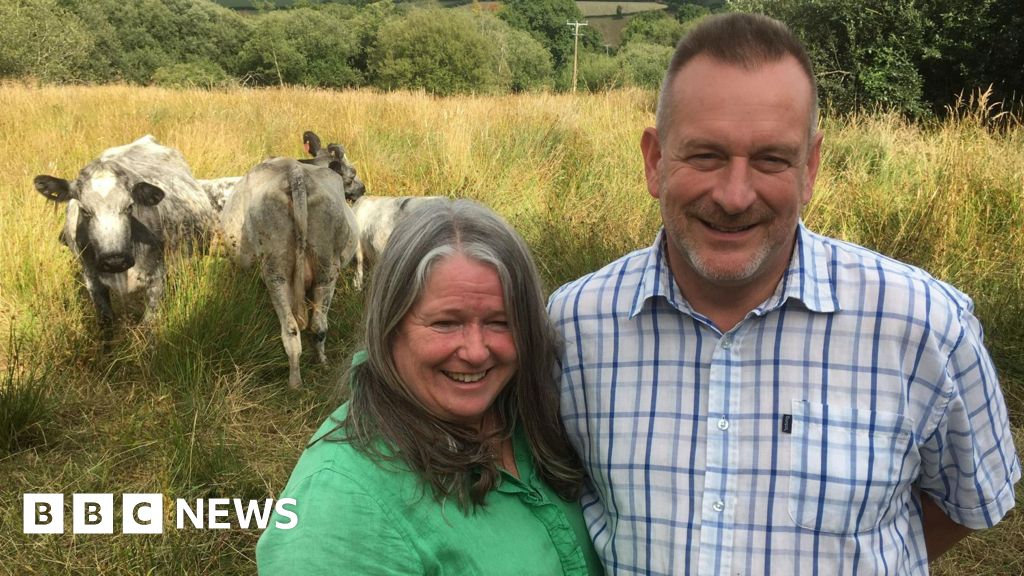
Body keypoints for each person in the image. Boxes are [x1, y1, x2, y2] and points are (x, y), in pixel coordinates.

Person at [547, 12, 1020, 575]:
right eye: (706, 155)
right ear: (655, 161)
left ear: (809, 168)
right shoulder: (572, 327)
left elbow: (968, 504)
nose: (734, 195)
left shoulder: (924, 325)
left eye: (771, 159)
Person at [256, 199, 603, 575]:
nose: (475, 352)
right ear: (390, 326)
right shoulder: (339, 505)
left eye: (500, 322)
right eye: (445, 323)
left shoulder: (541, 417)